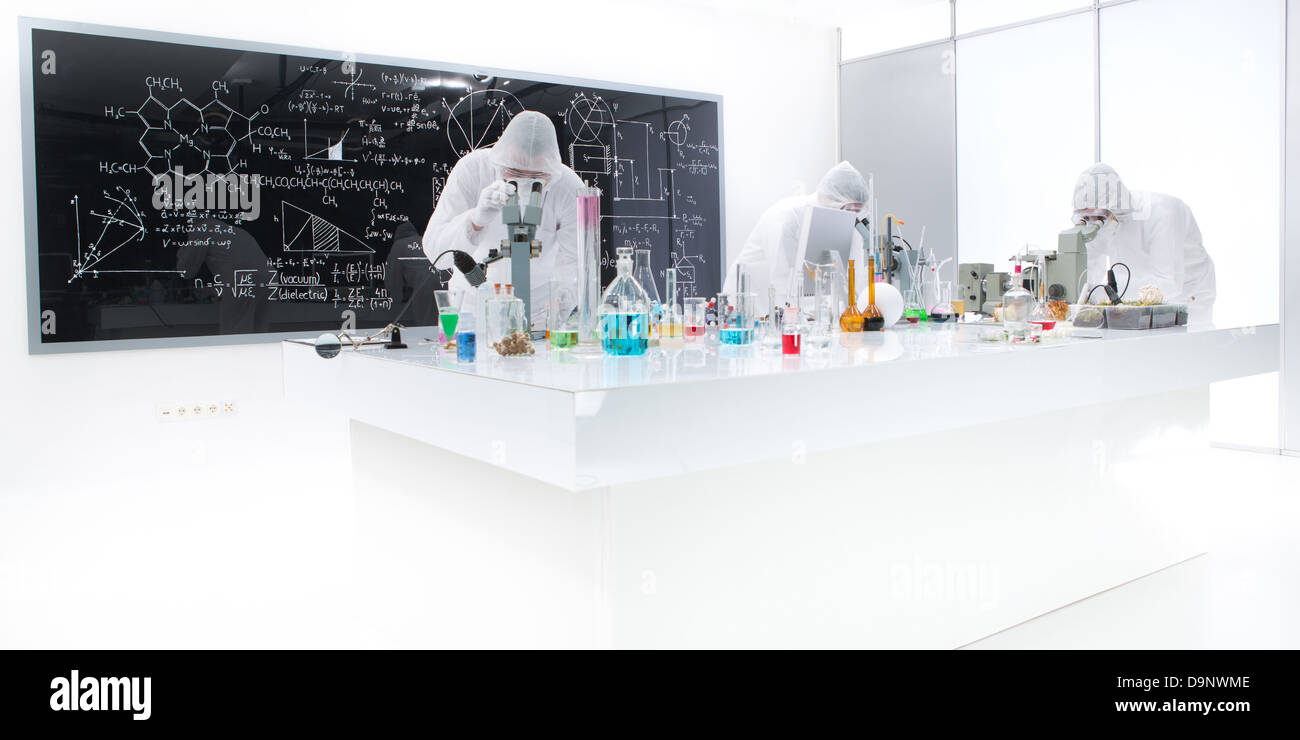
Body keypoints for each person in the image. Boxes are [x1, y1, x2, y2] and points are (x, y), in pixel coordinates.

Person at [422, 111, 583, 326]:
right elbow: (437, 256)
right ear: (500, 160)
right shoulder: (473, 170)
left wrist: (560, 313)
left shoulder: (568, 186)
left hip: (539, 313)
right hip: (471, 310)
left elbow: (574, 262)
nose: (525, 182)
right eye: (515, 172)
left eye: (537, 178)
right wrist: (475, 221)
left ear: (551, 169)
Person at [1071, 163, 1216, 322]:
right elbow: (1087, 274)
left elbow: (1168, 283)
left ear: (1116, 210)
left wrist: (1105, 293)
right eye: (1085, 218)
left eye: (1098, 217)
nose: (1093, 224)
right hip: (1134, 296)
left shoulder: (1161, 214)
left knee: (1184, 341)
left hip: (1189, 294)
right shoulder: (1101, 222)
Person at [723, 161, 869, 307]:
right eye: (847, 210)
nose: (851, 217)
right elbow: (783, 280)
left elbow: (854, 275)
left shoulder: (846, 220)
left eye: (856, 212)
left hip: (791, 309)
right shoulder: (788, 216)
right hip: (750, 305)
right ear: (828, 197)